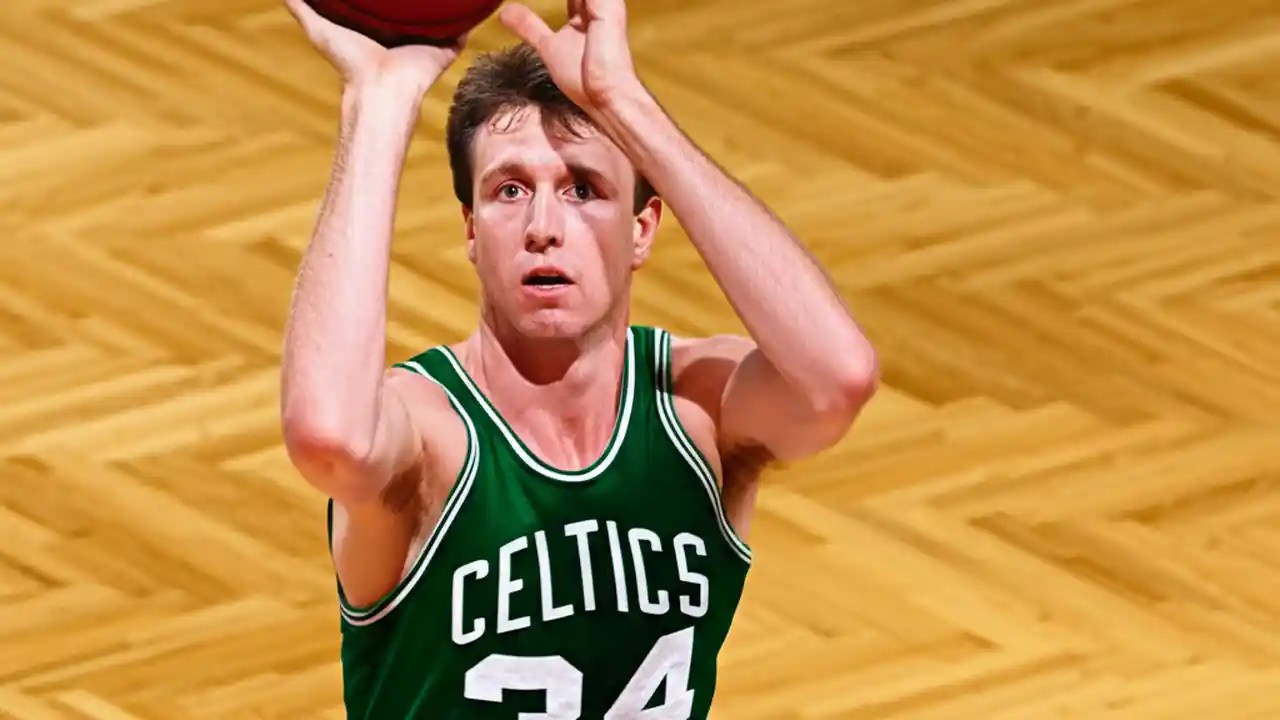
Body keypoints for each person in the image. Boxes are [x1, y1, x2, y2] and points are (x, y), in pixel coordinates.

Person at [279, 0, 879, 717]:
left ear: (642, 229)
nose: (543, 227)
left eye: (584, 190)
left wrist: (624, 103)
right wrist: (379, 102)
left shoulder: (693, 411)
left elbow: (837, 380)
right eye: (509, 191)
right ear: (471, 230)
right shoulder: (435, 435)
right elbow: (330, 438)